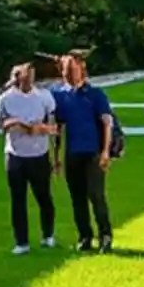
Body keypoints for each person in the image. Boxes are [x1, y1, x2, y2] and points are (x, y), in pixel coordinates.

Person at [51, 54, 116, 254]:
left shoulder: (95, 94)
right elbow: (58, 129)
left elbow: (107, 123)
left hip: (93, 152)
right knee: (77, 198)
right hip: (73, 153)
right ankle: (85, 236)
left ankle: (105, 235)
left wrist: (106, 151)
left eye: (73, 68)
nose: (69, 73)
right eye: (65, 69)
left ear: (82, 69)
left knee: (96, 195)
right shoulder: (60, 95)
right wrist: (56, 158)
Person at [0, 63, 59, 255]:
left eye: (32, 75)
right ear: (17, 77)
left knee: (44, 197)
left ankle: (48, 235)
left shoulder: (44, 97)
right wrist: (18, 123)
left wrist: (43, 130)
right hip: (15, 155)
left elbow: (53, 127)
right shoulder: (5, 99)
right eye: (25, 76)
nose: (29, 79)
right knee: (18, 199)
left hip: (39, 154)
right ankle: (21, 242)